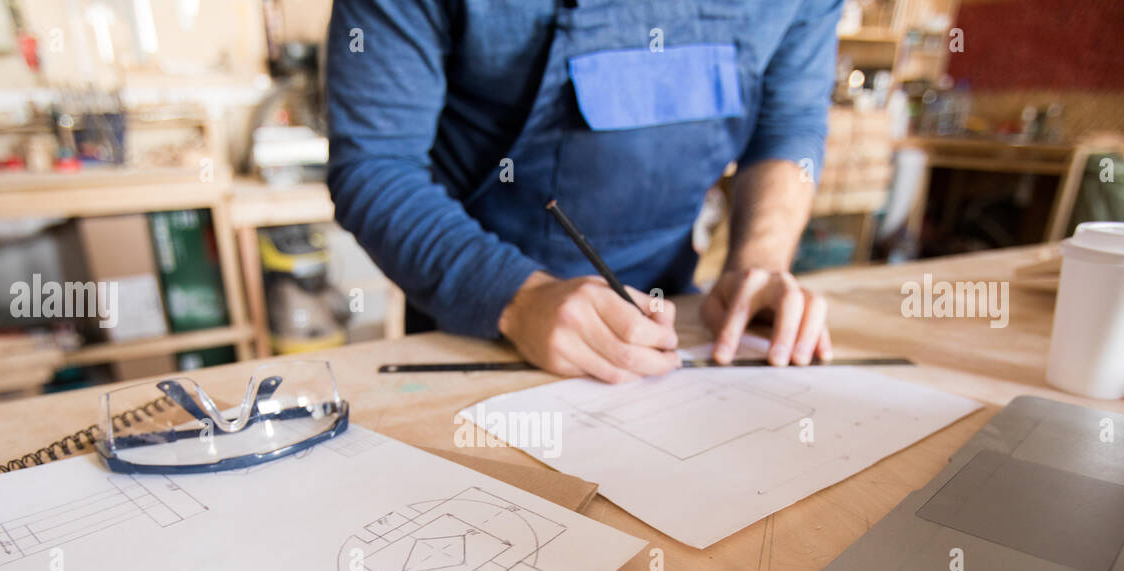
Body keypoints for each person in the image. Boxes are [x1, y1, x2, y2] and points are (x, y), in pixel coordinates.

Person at [327, 0, 841, 383]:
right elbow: (376, 163)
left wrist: (758, 264)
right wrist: (517, 300)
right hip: (480, 322)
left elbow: (788, 123)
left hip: (674, 324)